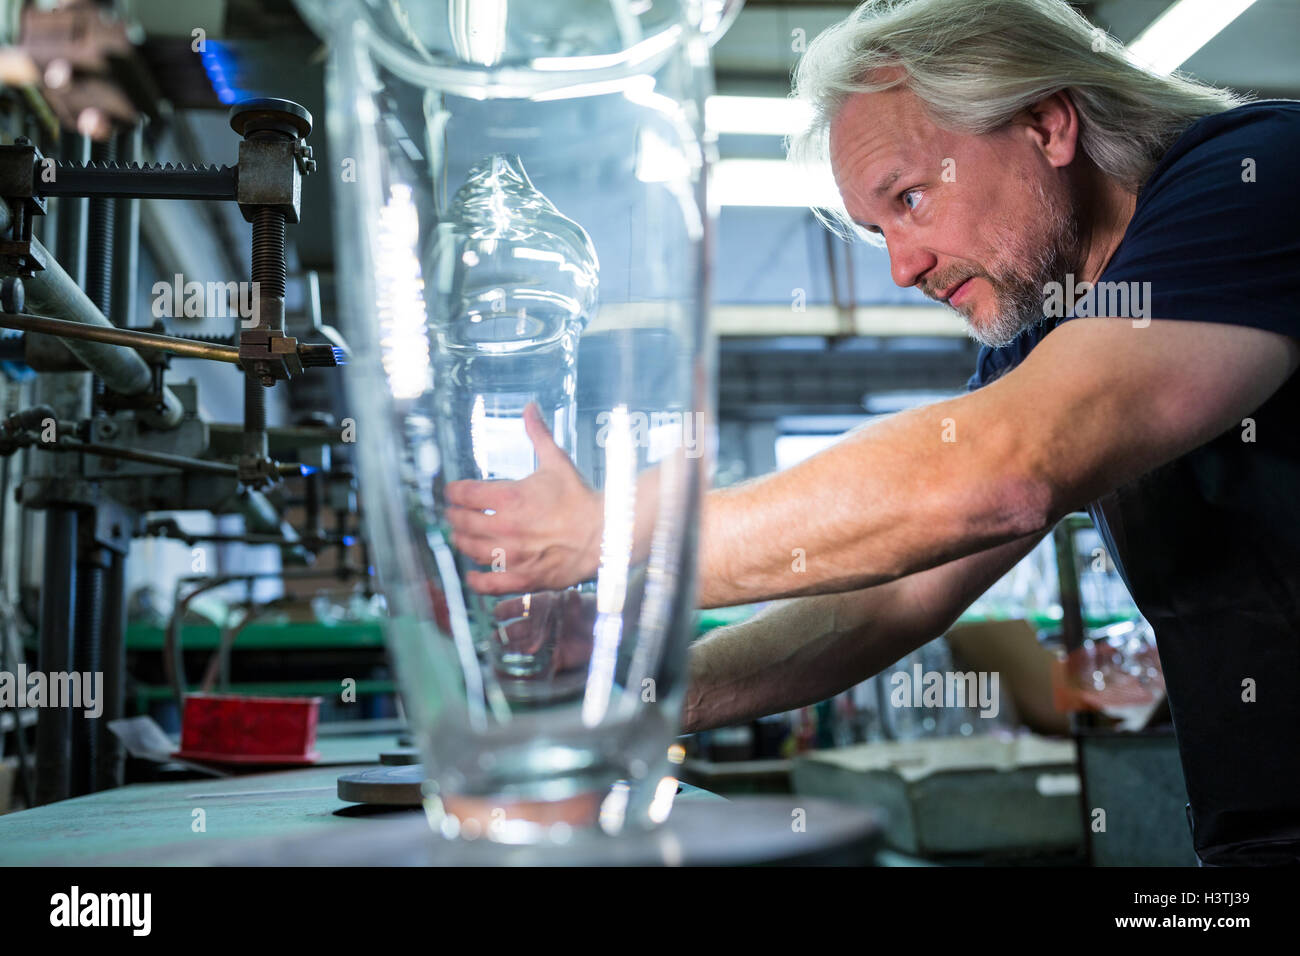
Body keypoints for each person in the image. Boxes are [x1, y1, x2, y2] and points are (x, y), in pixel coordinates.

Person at [444, 0, 1300, 865]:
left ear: (1046, 125)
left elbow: (1002, 472)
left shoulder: (1256, 178)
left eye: (912, 197)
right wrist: (630, 692)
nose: (902, 267)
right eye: (878, 229)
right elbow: (891, 597)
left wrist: (609, 532)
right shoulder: (1053, 326)